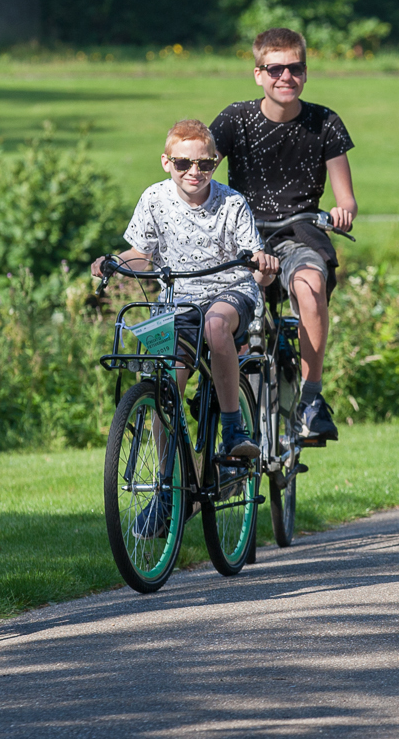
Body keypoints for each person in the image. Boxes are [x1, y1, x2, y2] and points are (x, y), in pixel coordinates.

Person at [96, 120, 280, 534]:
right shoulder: (154, 199)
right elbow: (142, 255)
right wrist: (113, 262)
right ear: (167, 162)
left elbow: (258, 267)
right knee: (166, 379)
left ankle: (232, 427)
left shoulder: (232, 203)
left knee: (216, 327)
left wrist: (265, 269)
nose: (194, 172)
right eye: (183, 163)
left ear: (215, 163)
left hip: (230, 293)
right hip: (178, 301)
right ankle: (167, 488)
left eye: (205, 163)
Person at [210, 27, 357, 443]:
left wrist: (344, 212)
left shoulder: (324, 122)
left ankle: (312, 400)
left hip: (301, 231)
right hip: (244, 235)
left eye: (295, 68)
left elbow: (346, 197)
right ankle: (227, 406)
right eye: (275, 69)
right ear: (258, 73)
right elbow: (199, 172)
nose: (285, 77)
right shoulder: (235, 119)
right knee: (230, 307)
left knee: (310, 288)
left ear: (305, 73)